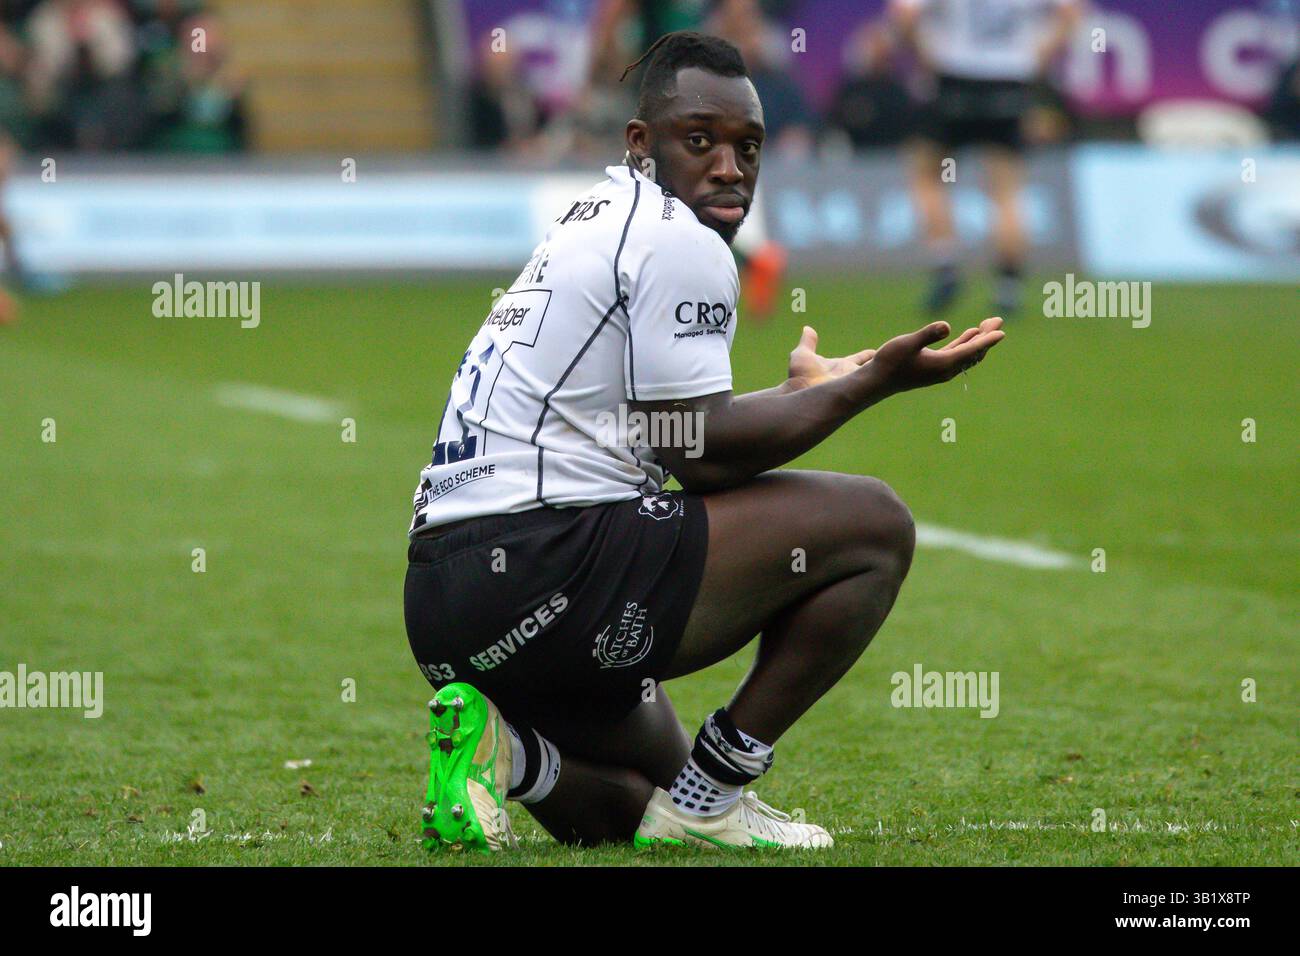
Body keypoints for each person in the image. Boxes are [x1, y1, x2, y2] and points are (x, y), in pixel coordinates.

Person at [404, 31, 1004, 853]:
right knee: (875, 525)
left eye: (747, 147)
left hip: (447, 608)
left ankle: (508, 757)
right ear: (641, 143)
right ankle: (719, 790)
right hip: (545, 563)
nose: (729, 166)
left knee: (649, 809)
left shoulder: (596, 216)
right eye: (701, 140)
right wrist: (872, 386)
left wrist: (798, 396)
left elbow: (660, 422)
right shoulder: (675, 237)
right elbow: (700, 452)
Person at [891, 0, 1081, 317]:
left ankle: (946, 265)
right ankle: (1008, 287)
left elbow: (906, 14)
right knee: (1006, 189)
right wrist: (1039, 56)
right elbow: (1071, 12)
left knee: (926, 175)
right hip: (1009, 81)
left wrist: (926, 54)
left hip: (954, 78)